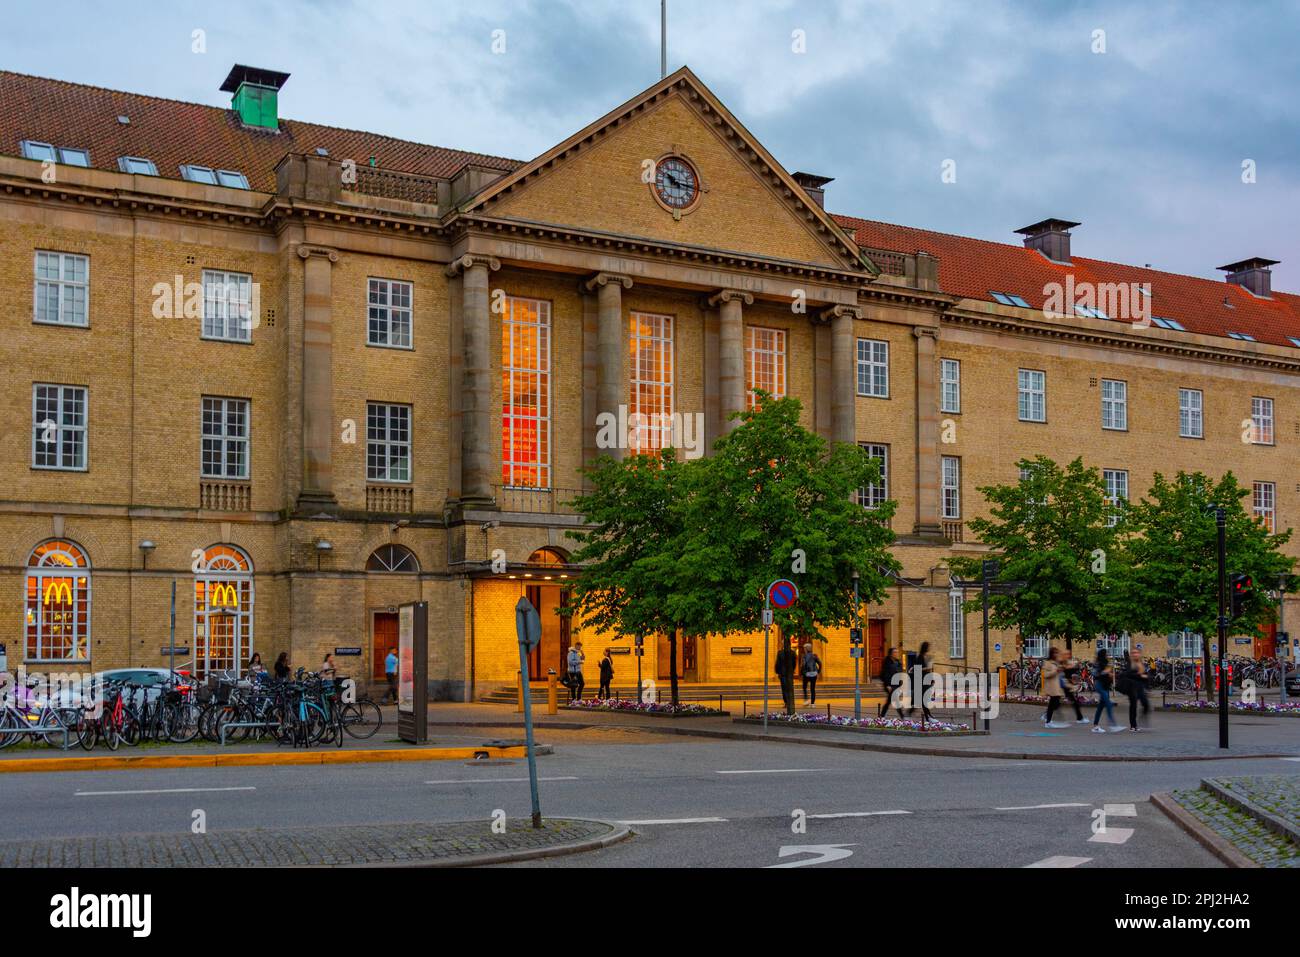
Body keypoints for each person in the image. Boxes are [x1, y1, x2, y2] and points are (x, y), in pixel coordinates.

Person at [1091, 649, 1123, 733]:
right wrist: (1107, 670)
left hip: (1105, 685)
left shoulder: (1105, 662)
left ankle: (1095, 726)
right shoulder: (1098, 663)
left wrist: (1110, 673)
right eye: (1106, 654)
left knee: (1101, 706)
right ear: (1103, 655)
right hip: (1099, 685)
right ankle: (1113, 725)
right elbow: (1097, 673)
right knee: (1108, 703)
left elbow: (1108, 673)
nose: (1108, 655)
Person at [1119, 650, 1151, 731]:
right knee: (1133, 706)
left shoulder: (1141, 663)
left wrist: (1147, 681)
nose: (1135, 654)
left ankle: (1142, 718)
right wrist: (1140, 675)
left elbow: (1145, 675)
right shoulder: (1130, 663)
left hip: (1140, 687)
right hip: (1131, 686)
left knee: (1146, 704)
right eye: (1133, 653)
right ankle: (1133, 725)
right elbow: (1128, 674)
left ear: (1139, 654)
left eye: (1137, 653)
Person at [906, 641, 935, 721]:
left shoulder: (926, 657)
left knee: (920, 700)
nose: (929, 648)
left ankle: (910, 714)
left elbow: (928, 671)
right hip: (920, 682)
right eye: (928, 647)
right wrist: (927, 668)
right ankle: (928, 717)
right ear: (925, 648)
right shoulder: (920, 657)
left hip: (925, 681)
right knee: (922, 700)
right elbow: (917, 669)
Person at [1042, 648, 1070, 728]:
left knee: (1055, 703)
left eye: (1057, 653)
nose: (1056, 654)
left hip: (1056, 685)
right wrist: (1055, 671)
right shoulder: (1048, 663)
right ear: (1051, 654)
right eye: (1055, 653)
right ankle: (1048, 721)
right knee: (1053, 703)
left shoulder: (1056, 662)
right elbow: (1045, 675)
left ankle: (1047, 718)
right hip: (1051, 686)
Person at [1060, 650, 1089, 723]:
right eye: (1067, 654)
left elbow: (1074, 670)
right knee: (1056, 701)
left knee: (1057, 701)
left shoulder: (1068, 662)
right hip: (1063, 685)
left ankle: (1080, 718)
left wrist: (1078, 665)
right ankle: (1080, 718)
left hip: (1067, 685)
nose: (1068, 655)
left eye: (1069, 654)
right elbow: (1065, 673)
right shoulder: (1062, 663)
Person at [879, 647, 905, 718]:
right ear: (891, 654)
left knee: (890, 701)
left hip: (896, 685)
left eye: (897, 652)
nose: (896, 654)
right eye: (895, 652)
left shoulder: (898, 662)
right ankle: (902, 716)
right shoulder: (886, 661)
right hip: (889, 685)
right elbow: (884, 674)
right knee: (895, 700)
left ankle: (882, 716)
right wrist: (887, 685)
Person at [775, 641, 798, 714]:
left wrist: (777, 671)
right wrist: (792, 670)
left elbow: (778, 663)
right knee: (789, 687)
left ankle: (786, 702)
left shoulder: (780, 653)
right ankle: (789, 702)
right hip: (789, 673)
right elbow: (794, 663)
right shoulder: (793, 653)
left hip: (782, 673)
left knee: (784, 688)